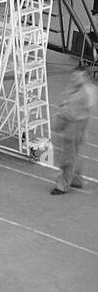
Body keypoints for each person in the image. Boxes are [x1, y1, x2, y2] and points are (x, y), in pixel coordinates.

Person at [51, 66, 95, 195]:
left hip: (74, 126)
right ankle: (76, 179)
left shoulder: (84, 93)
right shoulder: (80, 88)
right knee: (74, 154)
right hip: (74, 125)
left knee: (68, 158)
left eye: (77, 77)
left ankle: (62, 185)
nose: (74, 79)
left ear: (85, 77)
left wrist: (59, 121)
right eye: (73, 77)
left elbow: (71, 111)